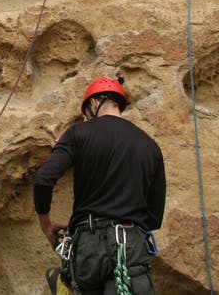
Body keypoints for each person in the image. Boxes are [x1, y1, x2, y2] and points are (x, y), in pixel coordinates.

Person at [33, 77, 166, 295]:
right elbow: (153, 216)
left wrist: (47, 224)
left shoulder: (78, 134)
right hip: (129, 245)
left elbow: (44, 179)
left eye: (86, 113)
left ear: (94, 103)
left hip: (88, 244)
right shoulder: (150, 146)